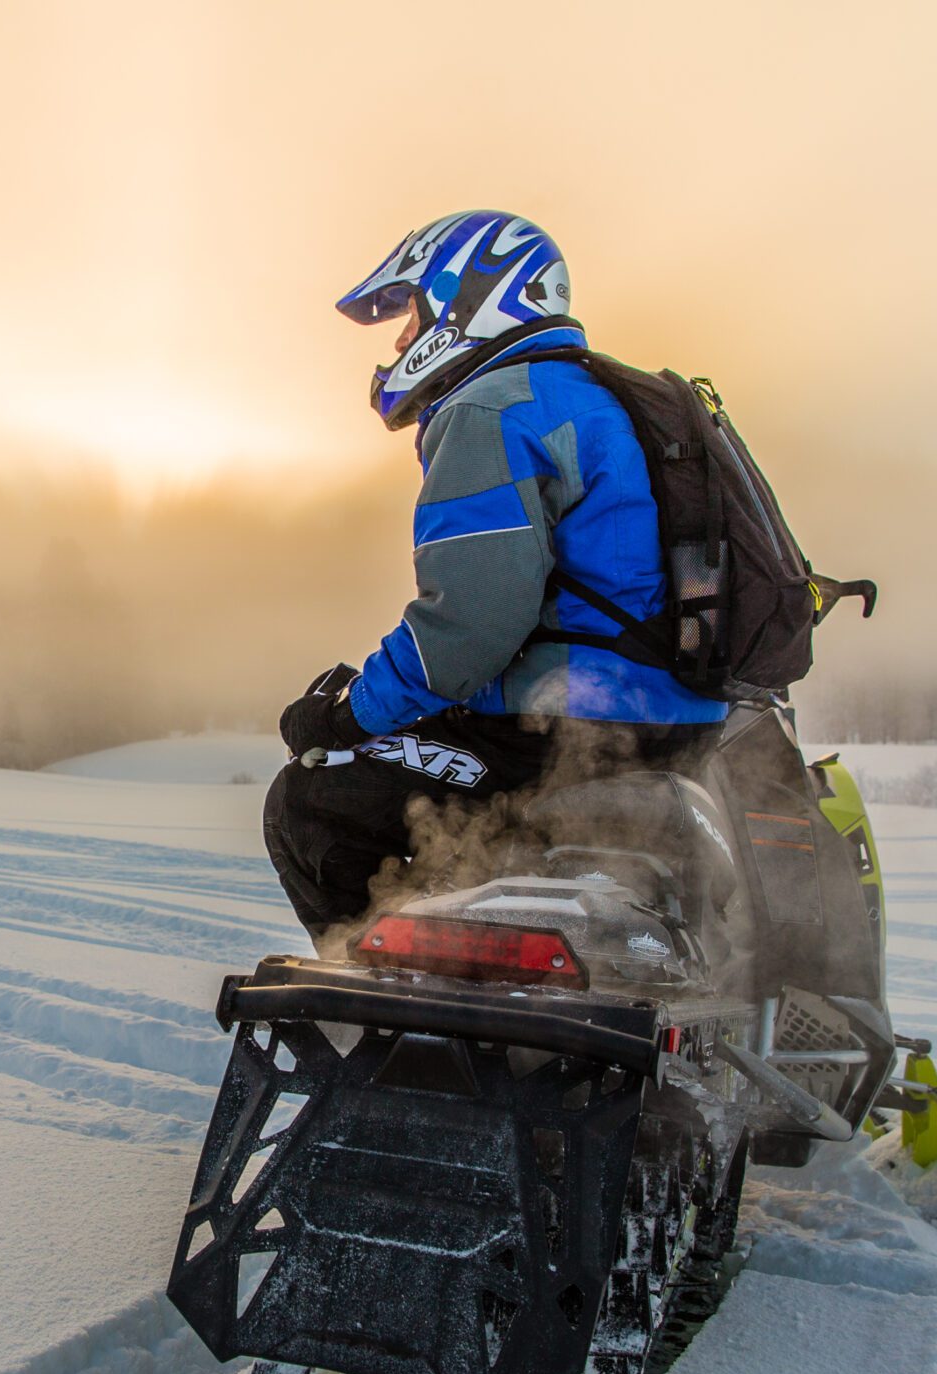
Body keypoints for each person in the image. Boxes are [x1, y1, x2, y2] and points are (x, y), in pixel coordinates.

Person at [264, 211, 730, 942]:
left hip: (563, 737)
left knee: (314, 794)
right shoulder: (606, 399)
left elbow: (463, 633)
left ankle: (396, 1001)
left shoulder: (493, 407)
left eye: (411, 314)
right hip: (679, 726)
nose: (400, 340)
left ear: (464, 304)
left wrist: (342, 715)